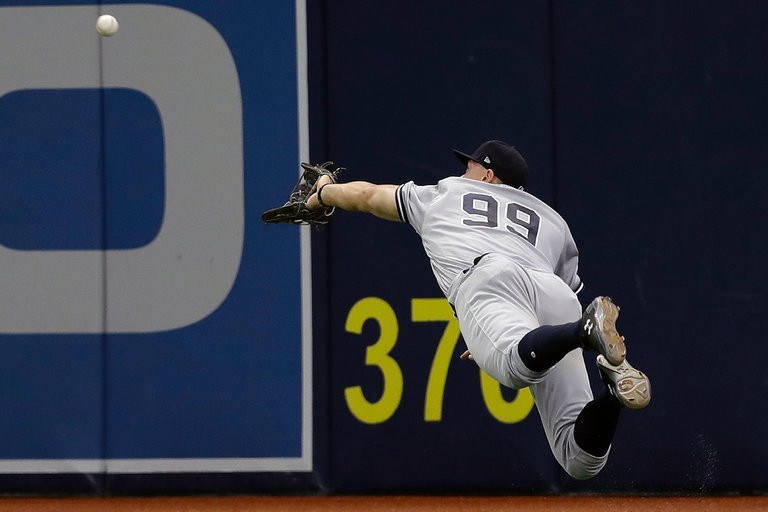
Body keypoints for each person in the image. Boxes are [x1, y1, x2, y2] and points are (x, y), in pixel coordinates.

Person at [306, 140, 651, 479]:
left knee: (515, 371)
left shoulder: (446, 193)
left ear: (488, 175)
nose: (462, 170)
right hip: (556, 293)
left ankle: (583, 333)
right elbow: (557, 292)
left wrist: (323, 193)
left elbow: (366, 196)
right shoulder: (553, 222)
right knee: (581, 461)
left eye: (469, 165)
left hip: (489, 277)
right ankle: (612, 390)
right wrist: (494, 328)